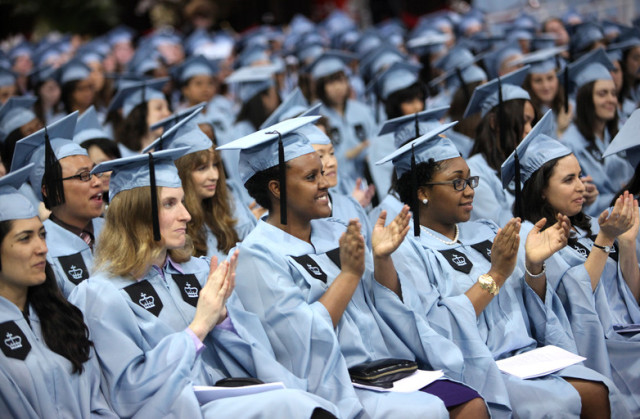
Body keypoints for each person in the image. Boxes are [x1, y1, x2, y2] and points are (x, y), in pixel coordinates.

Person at [221, 116, 489, 418]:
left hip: (386, 368)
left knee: (472, 402)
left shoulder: (335, 232)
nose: (325, 183)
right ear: (277, 188)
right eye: (311, 177)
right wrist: (348, 275)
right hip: (336, 384)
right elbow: (299, 345)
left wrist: (383, 257)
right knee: (434, 411)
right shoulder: (256, 255)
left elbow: (384, 306)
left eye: (322, 173)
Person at [382, 116, 631, 418]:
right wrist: (496, 274)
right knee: (559, 403)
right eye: (457, 182)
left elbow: (532, 305)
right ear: (423, 192)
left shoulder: (486, 231)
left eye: (470, 180)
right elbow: (436, 328)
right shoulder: (409, 250)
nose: (470, 190)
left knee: (598, 387)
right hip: (476, 365)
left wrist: (534, 267)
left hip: (526, 355)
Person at [69, 146, 340, 418]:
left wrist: (224, 321)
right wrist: (198, 328)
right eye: (169, 204)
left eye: (182, 202)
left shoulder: (198, 272)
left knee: (307, 403)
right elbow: (128, 393)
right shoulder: (101, 294)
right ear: (137, 213)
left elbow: (259, 359)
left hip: (228, 399)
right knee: (294, 408)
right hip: (179, 412)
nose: (186, 215)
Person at [503, 110, 640, 416]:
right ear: (541, 189)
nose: (581, 186)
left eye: (579, 175)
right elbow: (572, 308)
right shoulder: (532, 236)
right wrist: (605, 241)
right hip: (594, 347)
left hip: (626, 331)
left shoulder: (590, 224)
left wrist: (627, 244)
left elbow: (633, 296)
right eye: (569, 179)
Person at [0, 164, 116, 418]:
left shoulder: (60, 315)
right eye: (25, 238)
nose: (42, 248)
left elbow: (97, 402)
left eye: (42, 235)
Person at [11, 112, 105, 298]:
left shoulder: (115, 229)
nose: (97, 182)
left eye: (96, 172)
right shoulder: (42, 250)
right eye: (84, 176)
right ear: (49, 190)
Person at [143, 106, 255, 260]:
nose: (214, 175)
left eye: (215, 165)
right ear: (180, 173)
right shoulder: (170, 224)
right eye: (202, 168)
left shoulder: (227, 200)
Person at [561, 48, 634, 217]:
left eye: (613, 93)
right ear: (586, 99)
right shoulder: (569, 143)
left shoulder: (617, 134)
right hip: (598, 222)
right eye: (602, 94)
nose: (611, 100)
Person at [464, 67, 536, 226]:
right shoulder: (475, 170)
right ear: (494, 122)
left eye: (531, 121)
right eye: (523, 121)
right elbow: (499, 224)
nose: (529, 130)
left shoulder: (527, 162)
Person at [309, 51, 377, 193]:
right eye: (331, 83)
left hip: (367, 179)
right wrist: (351, 153)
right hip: (334, 184)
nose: (338, 87)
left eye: (341, 80)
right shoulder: (316, 117)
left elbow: (375, 142)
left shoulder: (362, 111)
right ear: (321, 87)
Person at [107, 78, 172, 157]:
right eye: (159, 108)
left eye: (168, 108)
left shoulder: (173, 151)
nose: (167, 113)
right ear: (140, 115)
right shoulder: (117, 155)